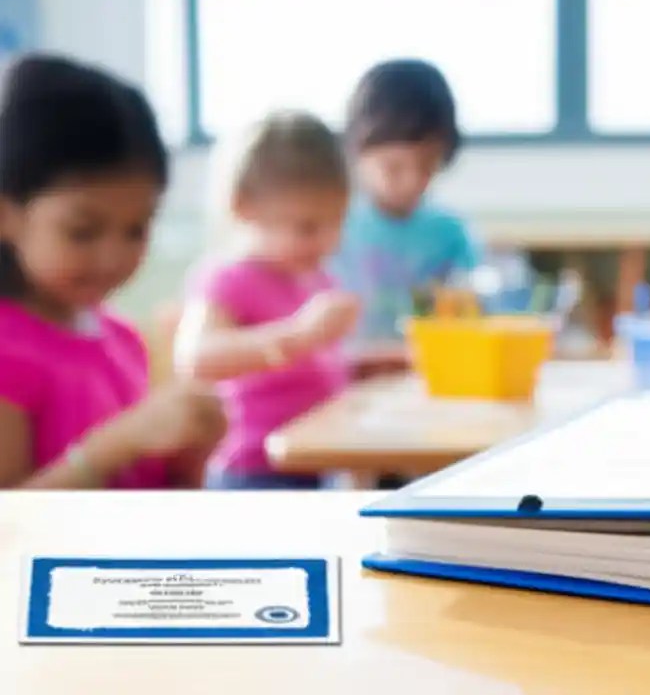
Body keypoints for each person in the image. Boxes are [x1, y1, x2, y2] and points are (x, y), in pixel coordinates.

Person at [0, 55, 225, 488]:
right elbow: (7, 528)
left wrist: (189, 456)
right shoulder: (8, 352)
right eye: (82, 232)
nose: (113, 257)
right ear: (6, 213)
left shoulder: (121, 339)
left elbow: (148, 498)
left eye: (136, 229)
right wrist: (120, 443)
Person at [175, 112, 358, 489]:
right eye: (306, 227)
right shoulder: (228, 278)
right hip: (251, 471)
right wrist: (298, 335)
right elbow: (196, 357)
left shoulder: (312, 276)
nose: (328, 242)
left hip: (316, 463)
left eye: (336, 222)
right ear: (243, 207)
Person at [332, 59, 481, 373]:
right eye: (393, 167)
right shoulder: (330, 229)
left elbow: (470, 316)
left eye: (427, 165)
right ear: (357, 152)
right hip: (345, 382)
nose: (413, 180)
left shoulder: (450, 233)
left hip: (426, 377)